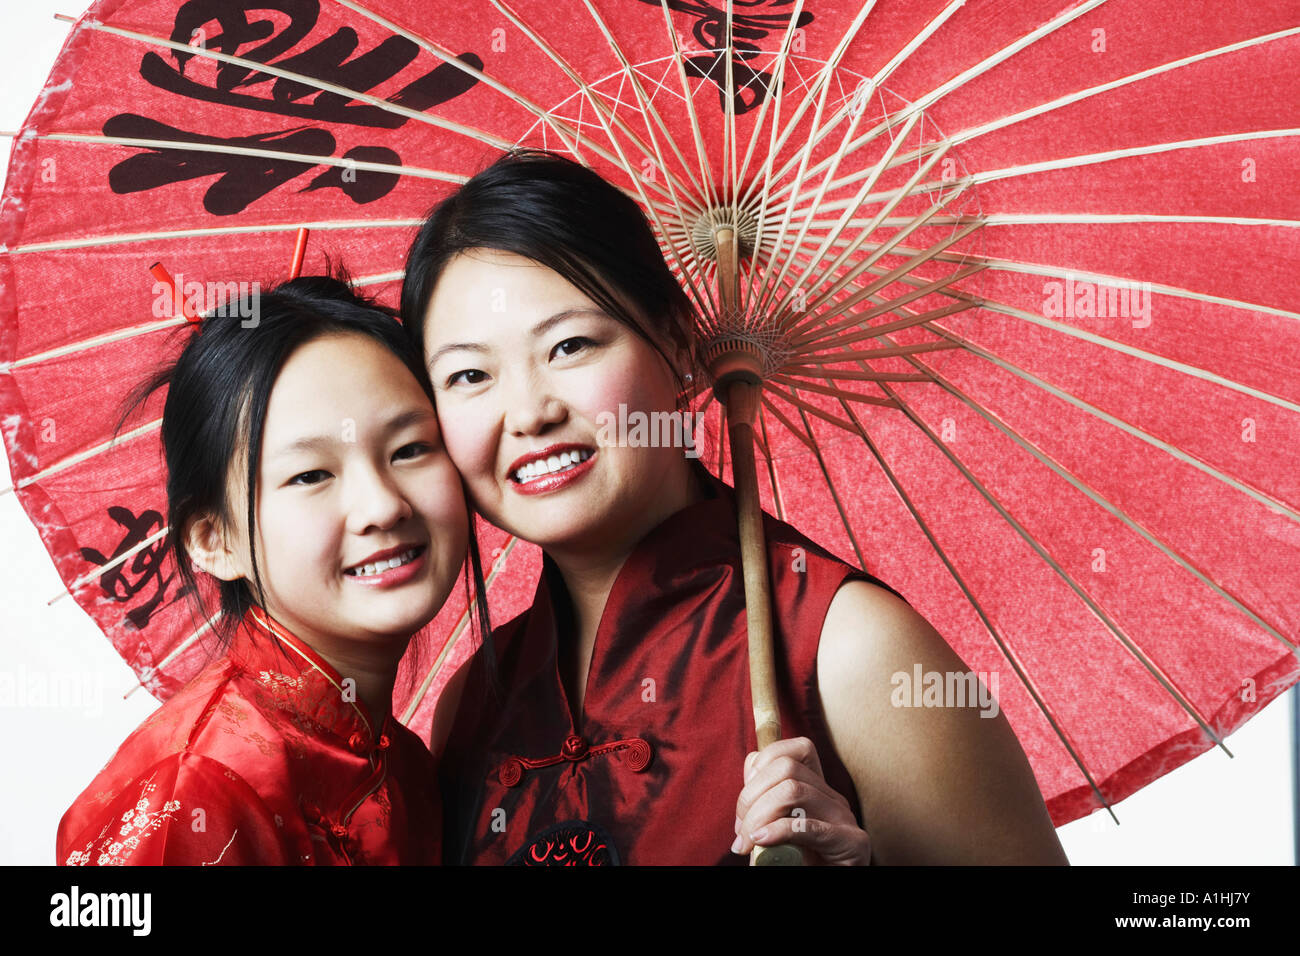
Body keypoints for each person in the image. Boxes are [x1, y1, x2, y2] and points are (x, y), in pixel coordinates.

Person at [402, 150, 1069, 865]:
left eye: (570, 345)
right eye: (470, 374)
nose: (528, 413)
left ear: (680, 342)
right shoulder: (471, 706)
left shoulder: (852, 652)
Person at [56, 276, 489, 866]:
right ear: (214, 539)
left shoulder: (406, 763)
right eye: (311, 475)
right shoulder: (195, 788)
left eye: (409, 449)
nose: (384, 505)